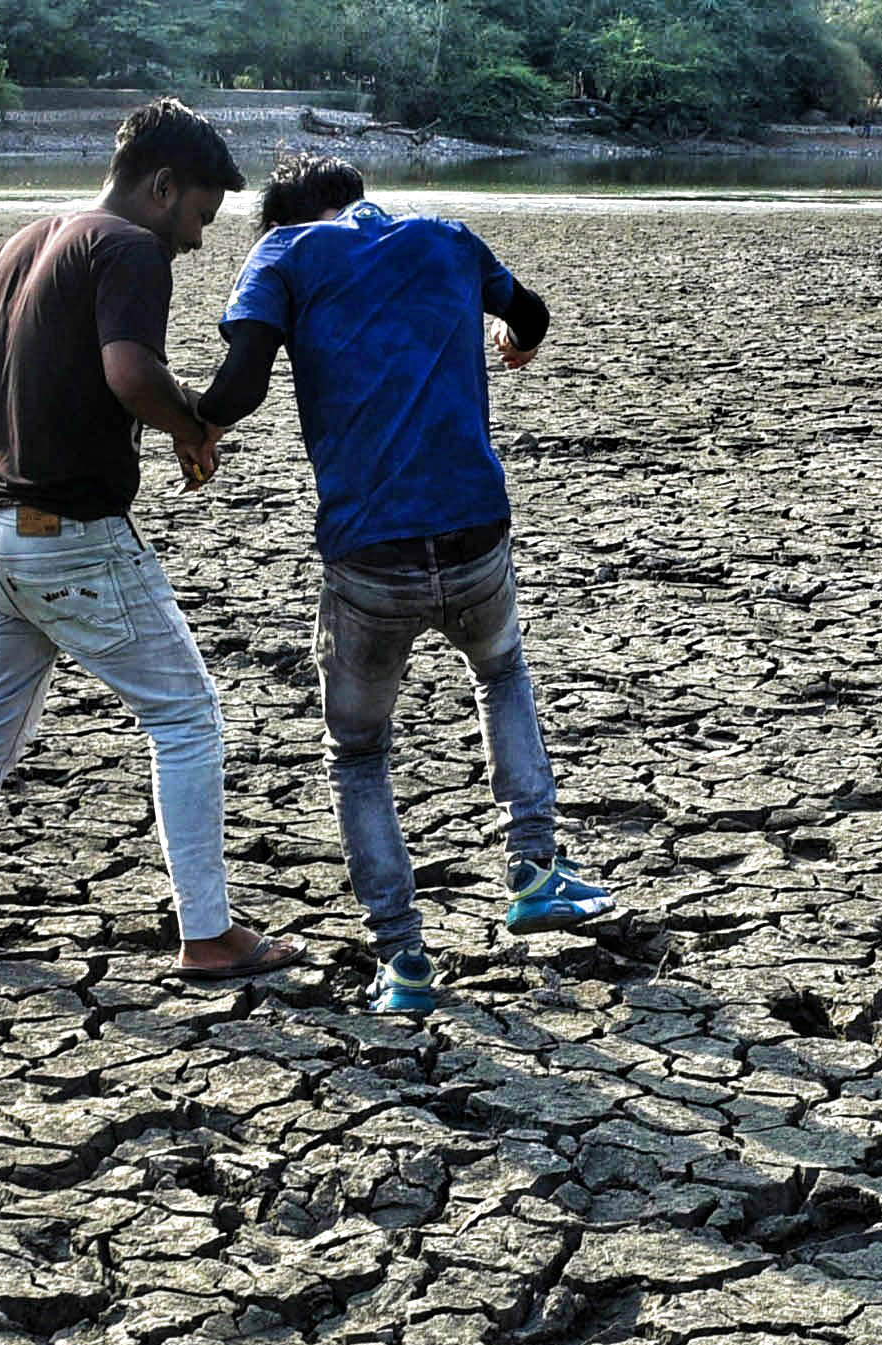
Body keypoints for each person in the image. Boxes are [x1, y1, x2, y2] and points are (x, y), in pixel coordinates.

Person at [198, 153, 613, 1018]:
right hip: (474, 530)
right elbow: (529, 312)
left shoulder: (282, 254)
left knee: (357, 752)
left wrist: (181, 424)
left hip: (367, 554)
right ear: (362, 197)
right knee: (499, 674)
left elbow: (236, 393)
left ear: (290, 213)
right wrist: (514, 343)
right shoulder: (446, 239)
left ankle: (405, 960)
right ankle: (535, 869)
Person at [0, 98, 303, 983]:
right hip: (68, 536)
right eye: (198, 215)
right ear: (162, 186)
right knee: (187, 718)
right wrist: (189, 426)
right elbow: (130, 372)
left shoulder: (24, 241)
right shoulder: (129, 247)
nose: (195, 240)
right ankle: (208, 934)